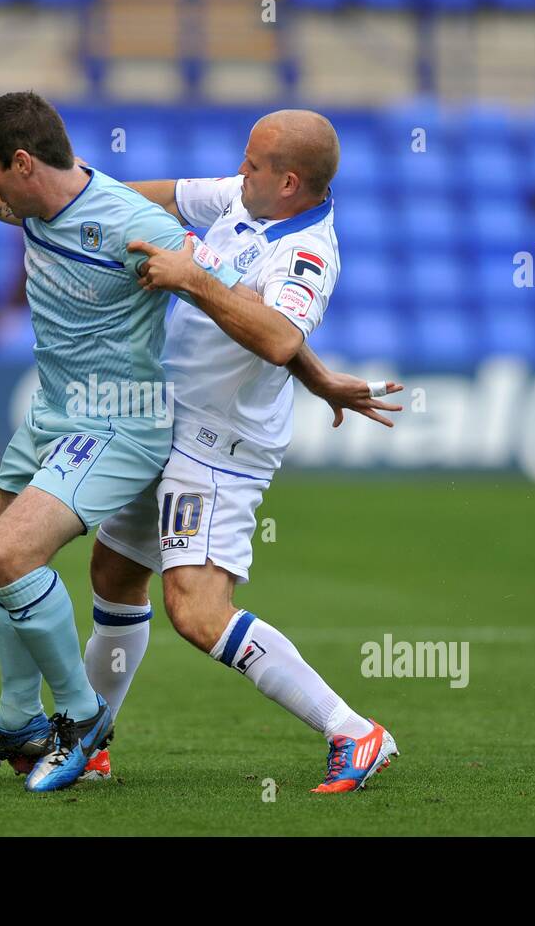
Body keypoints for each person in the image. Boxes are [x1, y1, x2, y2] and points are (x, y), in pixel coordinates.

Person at [0, 91, 244, 792]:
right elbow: (5, 206)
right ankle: (21, 717)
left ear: (24, 161)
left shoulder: (132, 222)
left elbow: (232, 292)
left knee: (7, 550)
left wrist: (308, 367)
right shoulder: (38, 204)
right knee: (5, 563)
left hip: (119, 421)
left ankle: (85, 718)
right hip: (54, 415)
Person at [83, 110, 404, 793]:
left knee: (197, 609)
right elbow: (164, 196)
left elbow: (280, 337)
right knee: (113, 574)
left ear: (289, 182)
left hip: (216, 446)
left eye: (252, 164)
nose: (238, 170)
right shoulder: (242, 196)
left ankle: (353, 731)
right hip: (164, 424)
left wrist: (191, 277)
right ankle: (90, 739)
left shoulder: (307, 253)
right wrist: (81, 199)